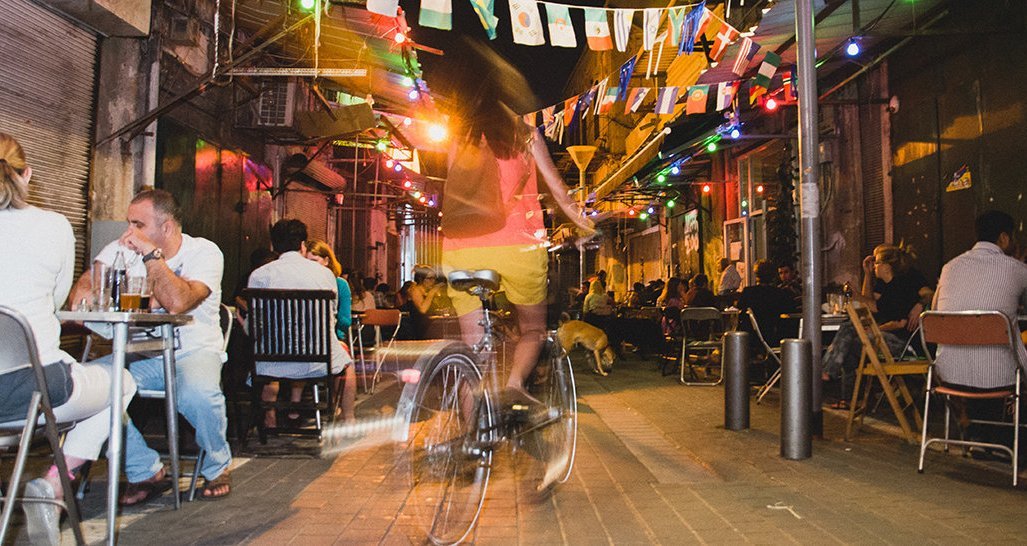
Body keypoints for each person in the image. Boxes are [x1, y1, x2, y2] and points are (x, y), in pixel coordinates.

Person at [437, 37, 594, 405]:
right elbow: (560, 192)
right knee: (533, 330)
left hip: (461, 249)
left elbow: (456, 191)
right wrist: (587, 225)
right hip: (518, 244)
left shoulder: (457, 138)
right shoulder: (525, 133)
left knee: (473, 351)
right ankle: (513, 387)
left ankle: (472, 441)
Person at [0, 133, 136, 543]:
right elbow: (58, 302)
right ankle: (53, 487)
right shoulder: (53, 225)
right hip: (33, 388)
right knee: (122, 381)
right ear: (27, 175)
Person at [68, 189, 232, 503]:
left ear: (167, 227)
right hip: (138, 354)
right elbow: (91, 280)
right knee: (86, 390)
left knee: (197, 394)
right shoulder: (124, 247)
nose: (129, 232)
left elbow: (178, 302)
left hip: (192, 351)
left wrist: (151, 257)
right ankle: (145, 468)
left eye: (138, 225)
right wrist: (89, 289)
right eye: (129, 223)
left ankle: (216, 465)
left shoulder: (204, 252)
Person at [247, 222, 354, 425]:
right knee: (346, 364)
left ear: (274, 246)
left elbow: (256, 321)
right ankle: (348, 419)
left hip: (271, 362)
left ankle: (269, 418)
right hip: (317, 362)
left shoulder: (259, 275)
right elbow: (330, 316)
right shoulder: (324, 274)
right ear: (302, 245)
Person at [933, 211, 1027, 424]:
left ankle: (975, 429)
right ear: (1004, 238)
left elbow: (935, 313)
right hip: (999, 377)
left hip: (949, 375)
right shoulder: (1016, 269)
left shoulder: (949, 267)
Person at [822, 243, 932, 382]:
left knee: (848, 328)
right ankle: (845, 397)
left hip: (904, 345)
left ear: (887, 266)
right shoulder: (884, 285)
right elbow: (868, 304)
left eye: (877, 262)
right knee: (849, 343)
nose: (874, 265)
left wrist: (874, 330)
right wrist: (867, 274)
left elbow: (899, 322)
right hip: (887, 338)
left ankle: (826, 371)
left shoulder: (904, 285)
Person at [736, 261, 798, 346]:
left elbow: (740, 307)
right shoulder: (779, 293)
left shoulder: (748, 292)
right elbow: (789, 310)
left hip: (753, 336)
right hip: (774, 335)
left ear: (756, 275)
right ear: (773, 276)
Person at [399, 264, 440, 339]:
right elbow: (423, 309)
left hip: (430, 325)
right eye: (429, 278)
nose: (432, 281)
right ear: (421, 279)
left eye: (434, 278)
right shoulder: (415, 290)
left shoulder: (427, 291)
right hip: (417, 328)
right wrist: (431, 293)